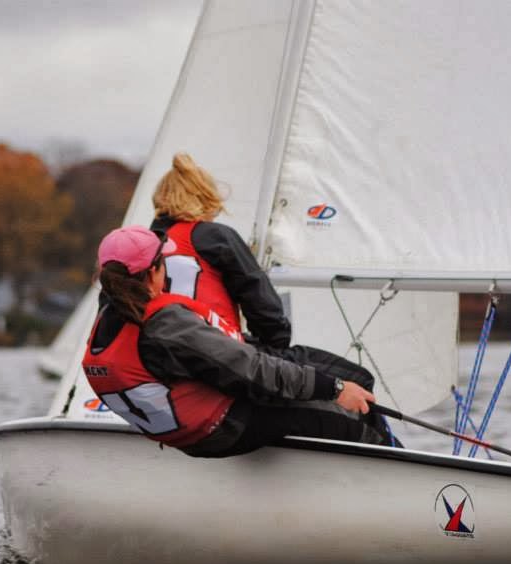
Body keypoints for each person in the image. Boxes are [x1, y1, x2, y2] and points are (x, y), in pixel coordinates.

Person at [149, 153, 401, 445]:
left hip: (173, 370)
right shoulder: (215, 236)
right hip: (227, 356)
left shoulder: (141, 248)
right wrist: (272, 349)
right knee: (357, 380)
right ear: (205, 198)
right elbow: (266, 312)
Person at [82, 225, 389, 458]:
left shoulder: (109, 317)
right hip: (226, 427)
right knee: (351, 418)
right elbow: (250, 371)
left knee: (358, 380)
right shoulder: (163, 325)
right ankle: (400, 492)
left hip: (199, 422)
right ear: (153, 272)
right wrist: (332, 389)